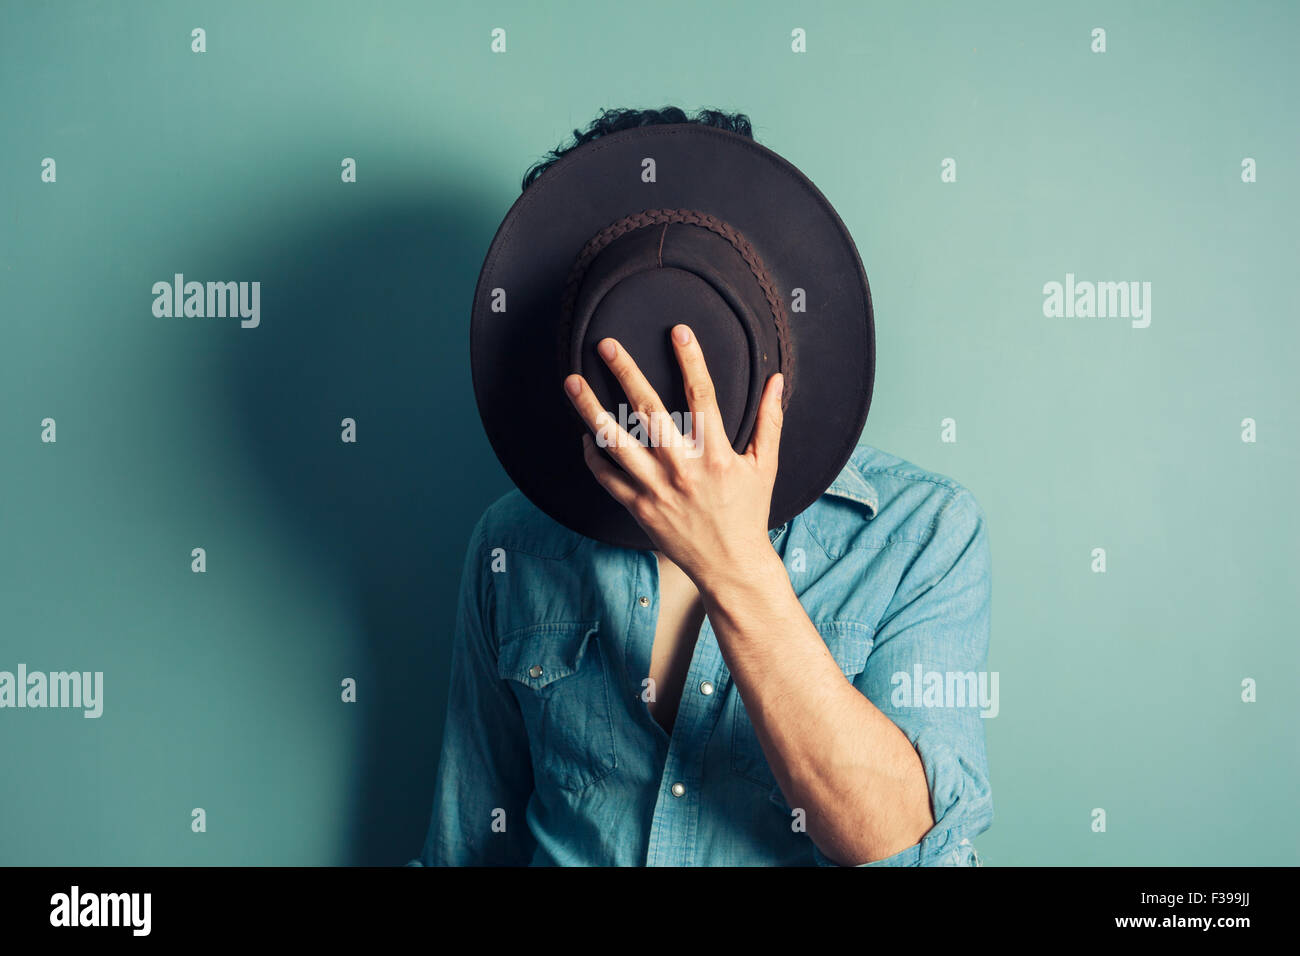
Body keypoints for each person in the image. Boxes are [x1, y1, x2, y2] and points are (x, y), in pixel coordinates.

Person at [410, 107, 993, 866]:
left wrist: (732, 560)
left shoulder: (920, 533)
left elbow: (903, 846)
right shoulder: (514, 543)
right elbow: (466, 848)